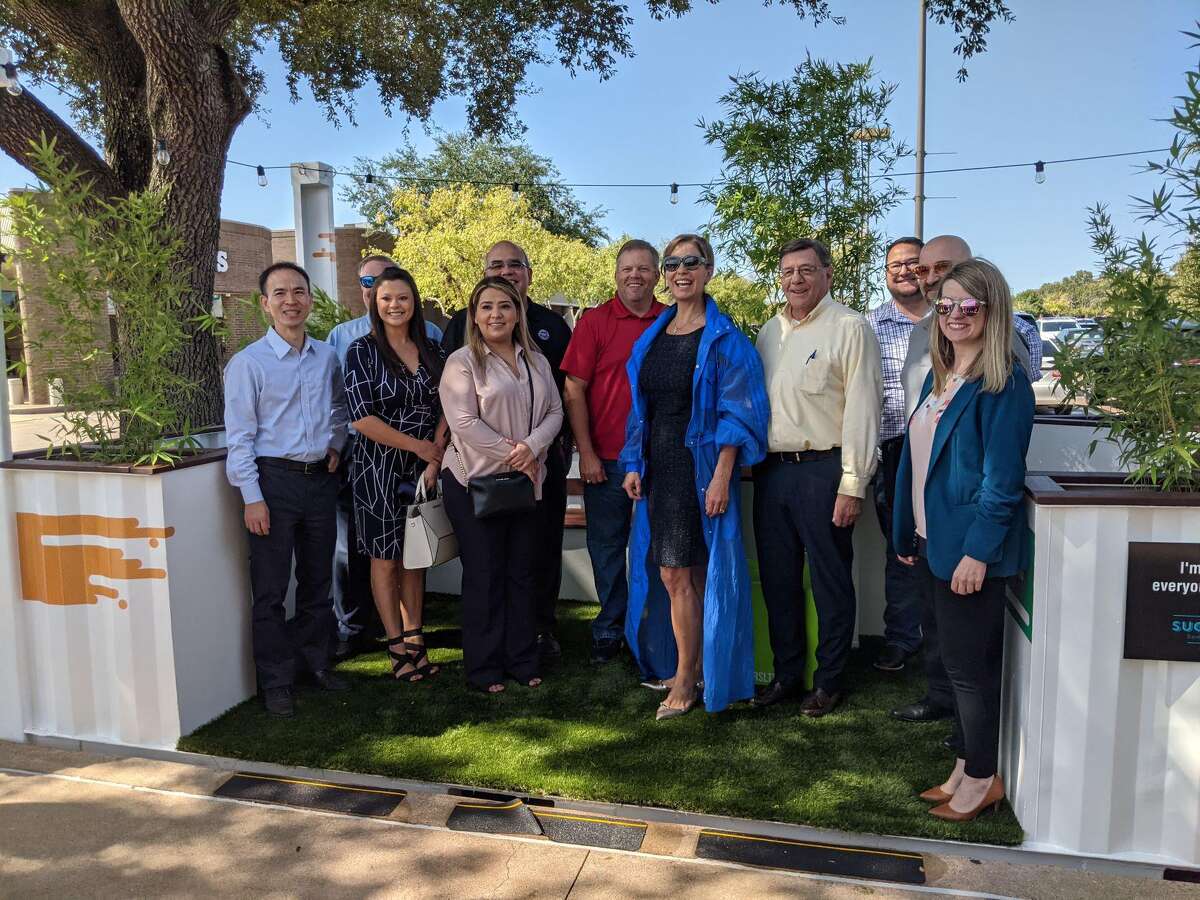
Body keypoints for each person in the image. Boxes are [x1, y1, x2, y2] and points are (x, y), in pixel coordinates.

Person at [893, 258, 1034, 821]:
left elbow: (1002, 484)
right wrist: (907, 528)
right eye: (944, 305)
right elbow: (918, 461)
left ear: (992, 309)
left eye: (967, 306)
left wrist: (978, 551)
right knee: (952, 665)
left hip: (969, 554)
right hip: (933, 543)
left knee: (969, 672)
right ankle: (963, 765)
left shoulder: (1004, 384)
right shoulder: (940, 376)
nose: (953, 315)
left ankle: (982, 778)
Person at [621, 234, 769, 720]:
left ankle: (686, 680)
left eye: (692, 262)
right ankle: (696, 667)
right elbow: (643, 410)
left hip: (698, 469)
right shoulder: (656, 333)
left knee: (675, 572)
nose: (681, 270)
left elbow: (738, 413)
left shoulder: (726, 338)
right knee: (688, 573)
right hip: (659, 467)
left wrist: (723, 474)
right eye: (673, 263)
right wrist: (633, 464)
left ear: (708, 271)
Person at [752, 238, 883, 718]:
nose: (796, 280)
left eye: (806, 270)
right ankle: (788, 675)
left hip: (823, 471)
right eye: (787, 271)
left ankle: (828, 680)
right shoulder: (771, 331)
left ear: (828, 274)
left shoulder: (850, 328)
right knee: (779, 580)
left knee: (829, 580)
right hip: (772, 473)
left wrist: (853, 482)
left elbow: (864, 410)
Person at [224, 262, 350, 718]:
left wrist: (336, 445)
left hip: (319, 481)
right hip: (272, 484)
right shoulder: (248, 364)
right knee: (272, 590)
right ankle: (276, 681)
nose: (291, 301)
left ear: (310, 300)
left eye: (298, 291)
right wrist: (251, 498)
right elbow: (239, 438)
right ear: (265, 304)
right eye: (280, 293)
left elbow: (339, 407)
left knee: (318, 583)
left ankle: (316, 663)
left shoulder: (326, 357)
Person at [442, 242, 572, 662]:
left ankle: (522, 656)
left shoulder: (535, 358)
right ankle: (483, 664)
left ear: (518, 310)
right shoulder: (462, 361)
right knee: (484, 573)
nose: (495, 314)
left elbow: (555, 408)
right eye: (486, 308)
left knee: (521, 570)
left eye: (504, 307)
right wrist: (513, 451)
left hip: (527, 478)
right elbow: (462, 421)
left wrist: (532, 449)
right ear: (474, 315)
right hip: (475, 480)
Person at [326, 255, 443, 658]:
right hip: (377, 467)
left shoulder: (432, 348)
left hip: (424, 469)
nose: (395, 305)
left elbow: (447, 407)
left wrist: (434, 457)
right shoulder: (360, 351)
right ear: (374, 302)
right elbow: (360, 418)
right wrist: (418, 447)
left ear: (415, 301)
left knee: (415, 558)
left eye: (403, 297)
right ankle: (395, 646)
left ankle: (415, 637)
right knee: (385, 557)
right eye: (386, 298)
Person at [561, 239, 665, 664]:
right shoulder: (595, 323)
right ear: (616, 274)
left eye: (644, 268)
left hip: (661, 460)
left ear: (657, 275)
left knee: (660, 549)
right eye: (627, 268)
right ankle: (609, 628)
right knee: (607, 546)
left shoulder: (672, 319)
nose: (635, 275)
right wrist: (584, 452)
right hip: (605, 458)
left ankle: (654, 626)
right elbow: (574, 389)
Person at [866, 237, 927, 674]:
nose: (903, 271)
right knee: (901, 546)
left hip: (948, 448)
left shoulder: (956, 316)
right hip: (895, 450)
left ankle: (945, 639)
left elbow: (1027, 348)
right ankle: (903, 638)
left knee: (947, 546)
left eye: (912, 264)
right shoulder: (869, 326)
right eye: (894, 266)